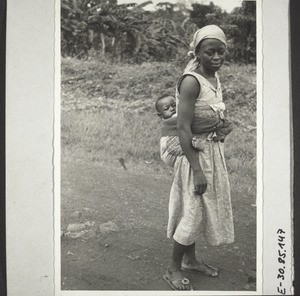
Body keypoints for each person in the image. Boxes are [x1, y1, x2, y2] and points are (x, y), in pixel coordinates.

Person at [162, 25, 235, 291]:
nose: (216, 57)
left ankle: (190, 260)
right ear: (197, 52)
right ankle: (172, 269)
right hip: (194, 155)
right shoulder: (191, 81)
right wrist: (198, 170)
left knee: (200, 210)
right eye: (209, 52)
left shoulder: (214, 79)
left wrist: (220, 126)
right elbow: (183, 127)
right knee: (192, 212)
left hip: (211, 151)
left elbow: (209, 114)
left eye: (220, 51)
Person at [156, 94, 233, 168]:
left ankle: (214, 135)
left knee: (191, 134)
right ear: (160, 115)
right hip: (169, 151)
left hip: (175, 148)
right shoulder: (169, 121)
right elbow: (193, 120)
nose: (172, 109)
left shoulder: (178, 114)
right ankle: (193, 148)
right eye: (166, 109)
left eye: (174, 105)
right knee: (189, 138)